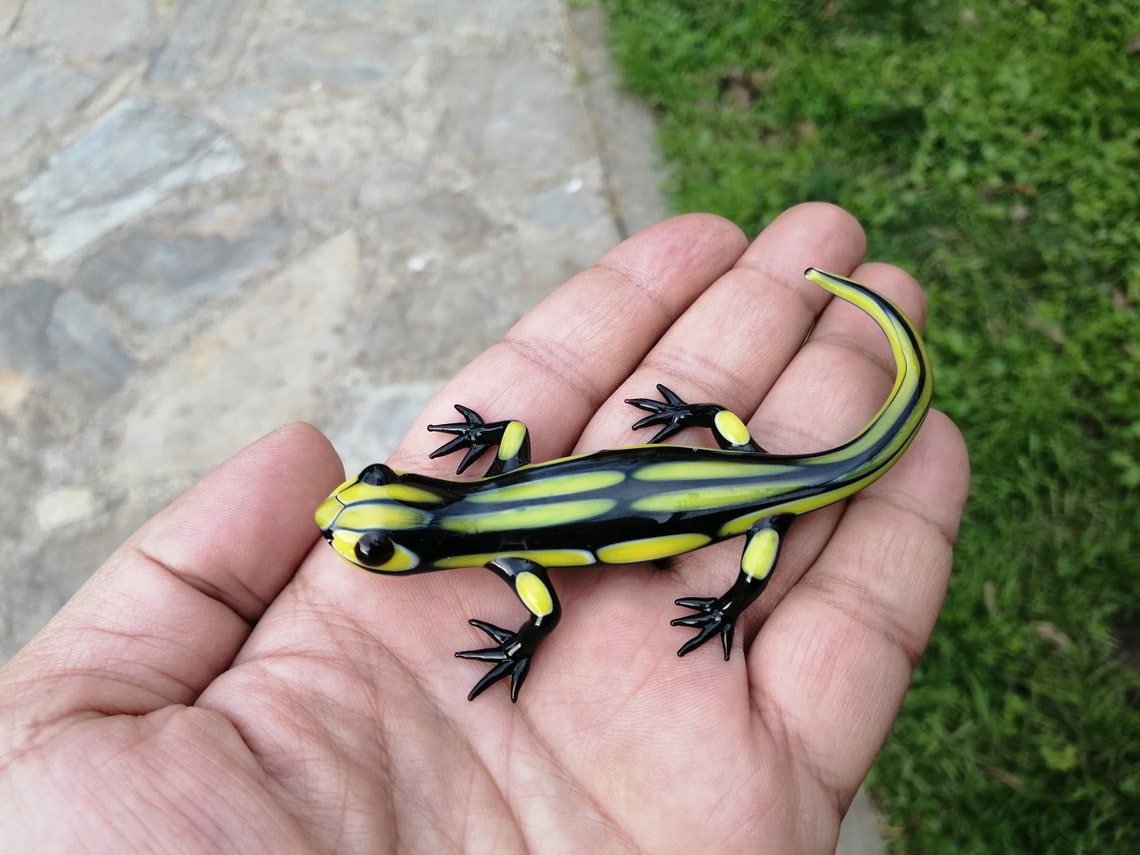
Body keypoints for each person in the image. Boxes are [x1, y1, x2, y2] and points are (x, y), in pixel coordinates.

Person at [0, 204, 968, 852]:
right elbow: (509, 448)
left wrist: (728, 604)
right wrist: (685, 437)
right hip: (718, 460)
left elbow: (539, 611)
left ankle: (837, 382)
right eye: (365, 519)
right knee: (750, 490)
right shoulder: (499, 519)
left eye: (368, 514)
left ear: (418, 546)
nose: (338, 517)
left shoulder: (516, 561)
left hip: (749, 494)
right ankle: (809, 387)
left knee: (762, 536)